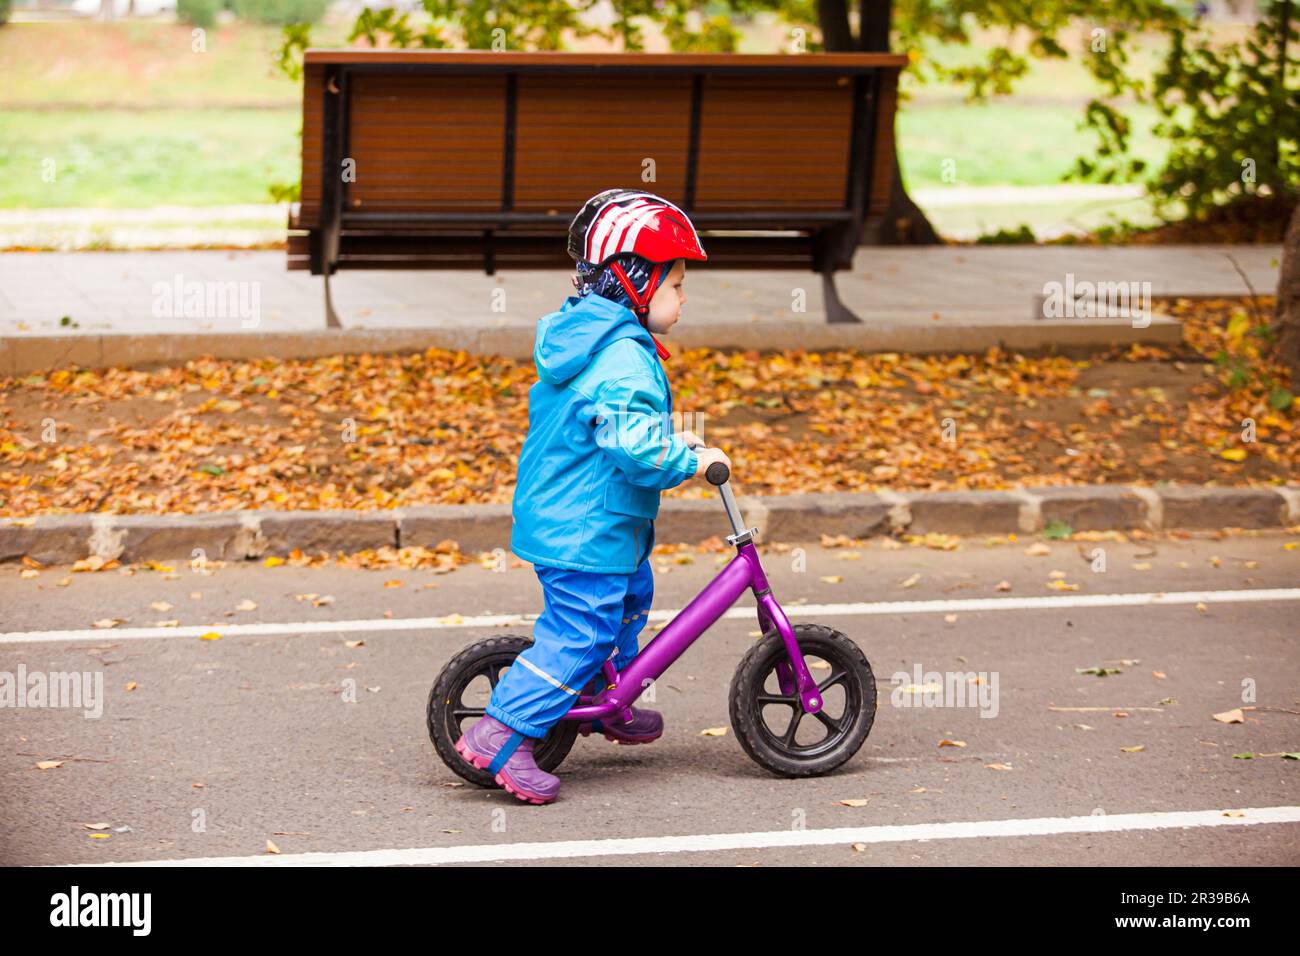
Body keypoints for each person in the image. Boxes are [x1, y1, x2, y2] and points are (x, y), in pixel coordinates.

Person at [454, 188, 732, 804]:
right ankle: (500, 734)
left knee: (632, 597)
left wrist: (669, 434)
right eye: (676, 283)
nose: (684, 298)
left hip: (591, 518)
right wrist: (690, 458)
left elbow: (616, 424)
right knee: (582, 630)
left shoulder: (596, 337)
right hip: (584, 527)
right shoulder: (623, 358)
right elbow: (633, 447)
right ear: (636, 281)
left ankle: (608, 697)